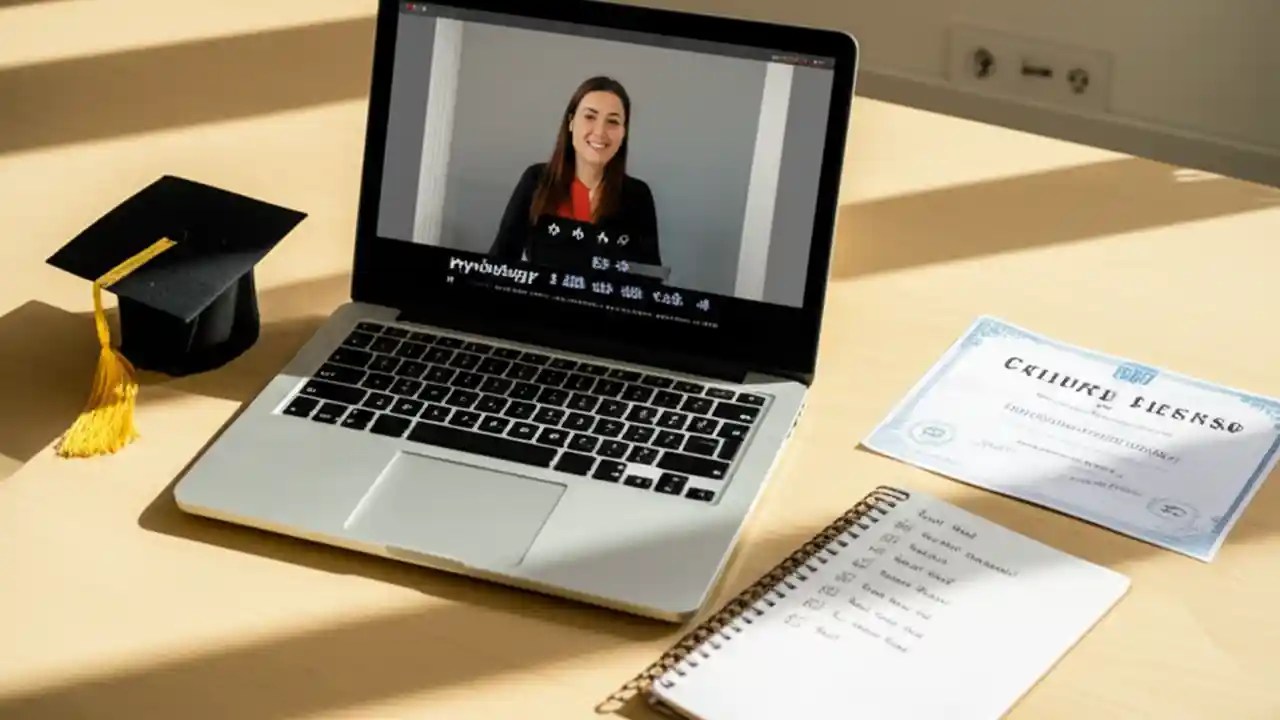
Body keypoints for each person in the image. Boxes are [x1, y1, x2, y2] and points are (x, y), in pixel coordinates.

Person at [489, 76, 662, 272]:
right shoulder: (537, 180)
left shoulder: (638, 195)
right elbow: (498, 262)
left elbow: (649, 278)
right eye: (590, 117)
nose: (600, 131)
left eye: (612, 121)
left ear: (623, 132)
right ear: (571, 123)